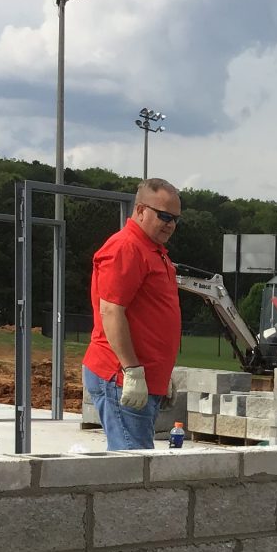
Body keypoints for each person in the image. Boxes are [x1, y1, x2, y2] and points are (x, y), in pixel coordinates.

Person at [82, 178, 183, 450]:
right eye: (164, 216)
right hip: (120, 375)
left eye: (175, 219)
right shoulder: (126, 247)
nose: (170, 224)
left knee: (134, 460)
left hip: (138, 375)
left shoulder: (153, 251)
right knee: (133, 462)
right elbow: (111, 311)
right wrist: (132, 371)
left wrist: (160, 372)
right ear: (140, 210)